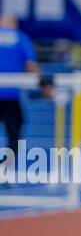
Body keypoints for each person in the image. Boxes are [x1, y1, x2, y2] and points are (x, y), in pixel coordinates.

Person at [0, 15, 39, 153]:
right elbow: (31, 65)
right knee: (14, 133)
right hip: (11, 96)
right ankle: (6, 168)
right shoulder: (20, 38)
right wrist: (45, 86)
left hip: (10, 96)